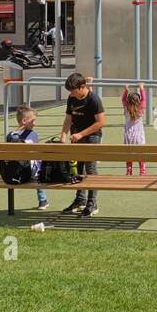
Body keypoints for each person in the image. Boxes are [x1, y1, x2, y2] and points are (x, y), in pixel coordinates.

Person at [61, 72, 105, 217]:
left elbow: (101, 122)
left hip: (92, 137)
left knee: (90, 169)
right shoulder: (71, 98)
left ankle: (92, 204)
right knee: (77, 168)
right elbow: (68, 119)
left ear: (82, 86)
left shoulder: (93, 99)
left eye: (73, 91)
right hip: (76, 136)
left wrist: (81, 134)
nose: (71, 94)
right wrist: (63, 136)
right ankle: (80, 200)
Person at [7, 104, 46, 210]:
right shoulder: (32, 134)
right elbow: (37, 153)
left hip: (13, 173)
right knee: (39, 167)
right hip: (29, 172)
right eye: (33, 121)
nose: (35, 124)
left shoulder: (10, 135)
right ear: (24, 121)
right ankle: (42, 200)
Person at [122, 82, 147, 176]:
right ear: (139, 102)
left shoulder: (126, 108)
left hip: (128, 135)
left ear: (128, 102)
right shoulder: (140, 109)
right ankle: (142, 170)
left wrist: (126, 90)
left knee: (129, 153)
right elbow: (144, 99)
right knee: (141, 153)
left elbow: (123, 100)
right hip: (139, 135)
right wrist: (141, 88)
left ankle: (129, 170)